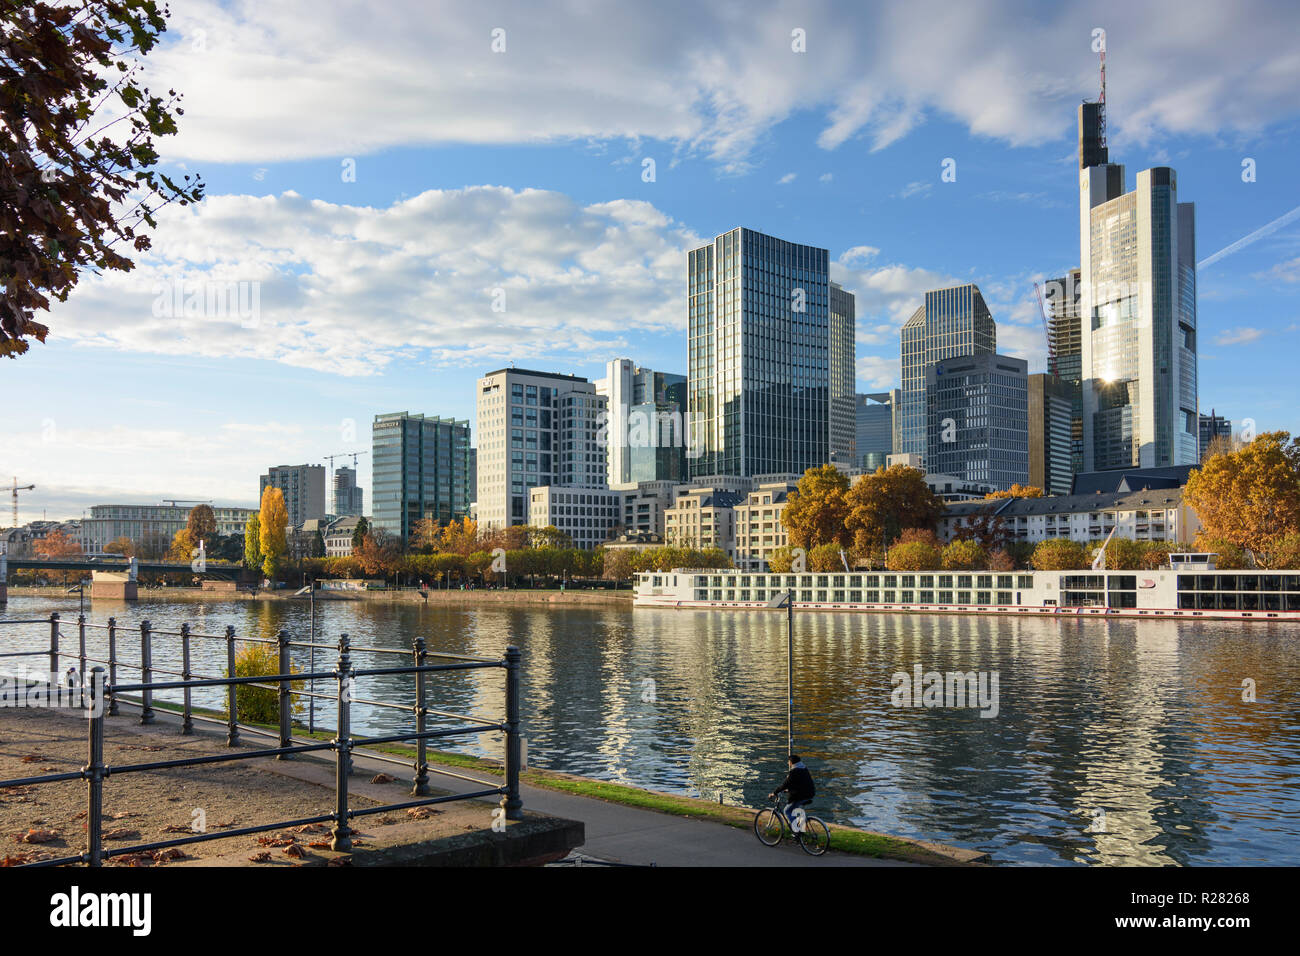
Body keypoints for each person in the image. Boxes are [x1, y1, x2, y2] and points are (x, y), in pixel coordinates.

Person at [769, 754, 815, 830]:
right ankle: (799, 828)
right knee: (794, 810)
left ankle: (797, 830)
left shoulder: (794, 771)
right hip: (810, 793)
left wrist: (774, 792)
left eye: (788, 761)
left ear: (791, 762)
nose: (788, 763)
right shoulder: (804, 768)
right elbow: (800, 783)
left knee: (787, 811)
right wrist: (789, 789)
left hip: (801, 795)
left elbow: (785, 784)